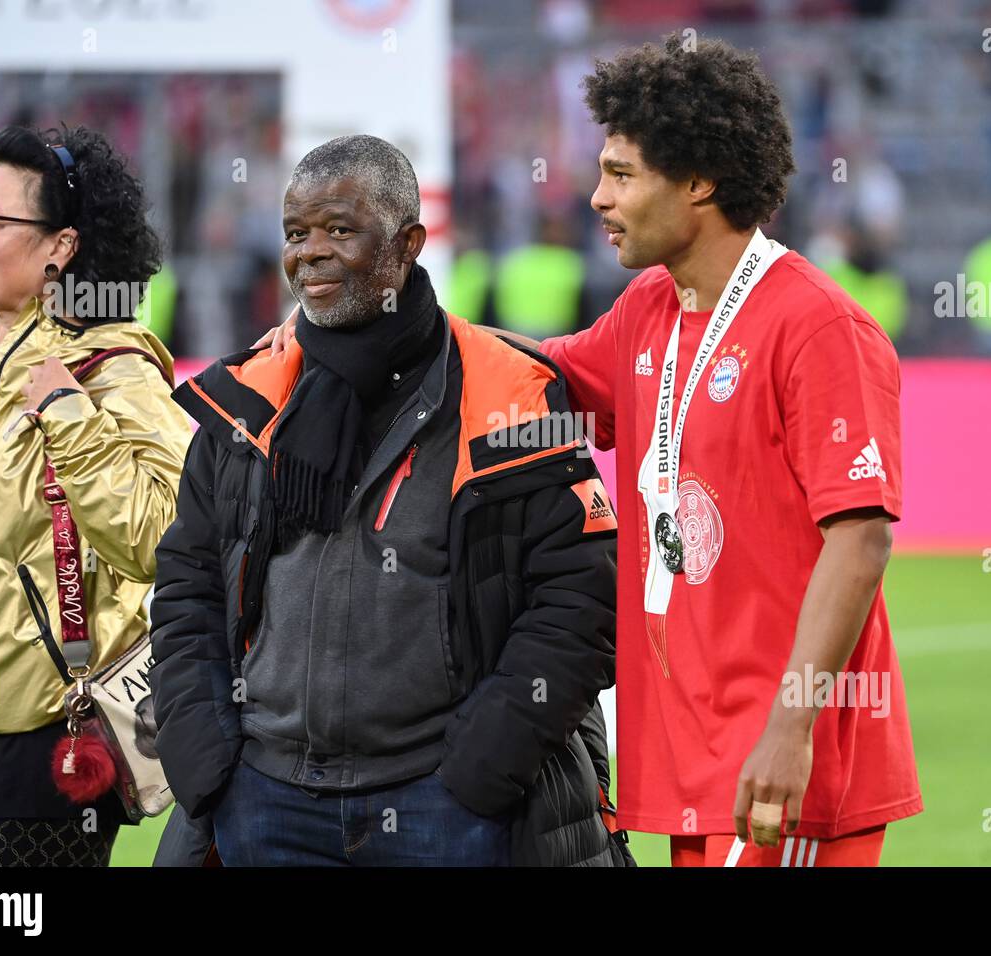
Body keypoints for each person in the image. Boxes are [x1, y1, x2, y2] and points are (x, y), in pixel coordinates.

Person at [266, 35, 923, 867]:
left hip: (781, 764)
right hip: (698, 758)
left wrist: (791, 728)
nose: (597, 198)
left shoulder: (818, 326)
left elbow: (862, 539)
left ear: (698, 182)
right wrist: (362, 324)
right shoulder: (651, 309)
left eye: (621, 174)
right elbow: (526, 382)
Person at [149, 135, 623, 867]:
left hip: (447, 805)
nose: (311, 253)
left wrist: (485, 763)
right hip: (264, 800)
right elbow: (187, 586)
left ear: (407, 246)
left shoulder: (511, 391)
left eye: (340, 230)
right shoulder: (246, 394)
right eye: (296, 233)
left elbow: (583, 596)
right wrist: (206, 759)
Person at [0, 124, 192, 866]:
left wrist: (68, 416)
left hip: (52, 750)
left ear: (59, 247)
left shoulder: (114, 365)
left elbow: (163, 536)